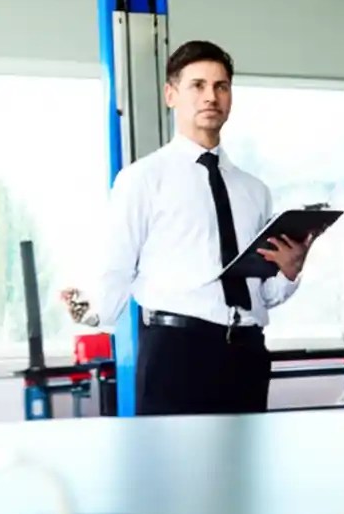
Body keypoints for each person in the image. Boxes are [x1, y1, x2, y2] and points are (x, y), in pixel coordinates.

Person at [61, 40, 313, 416]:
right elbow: (116, 266)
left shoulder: (254, 191)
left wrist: (290, 272)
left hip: (247, 355)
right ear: (171, 94)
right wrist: (92, 313)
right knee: (173, 474)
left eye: (221, 86)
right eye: (198, 85)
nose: (211, 96)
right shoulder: (142, 179)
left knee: (245, 475)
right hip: (176, 355)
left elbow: (265, 292)